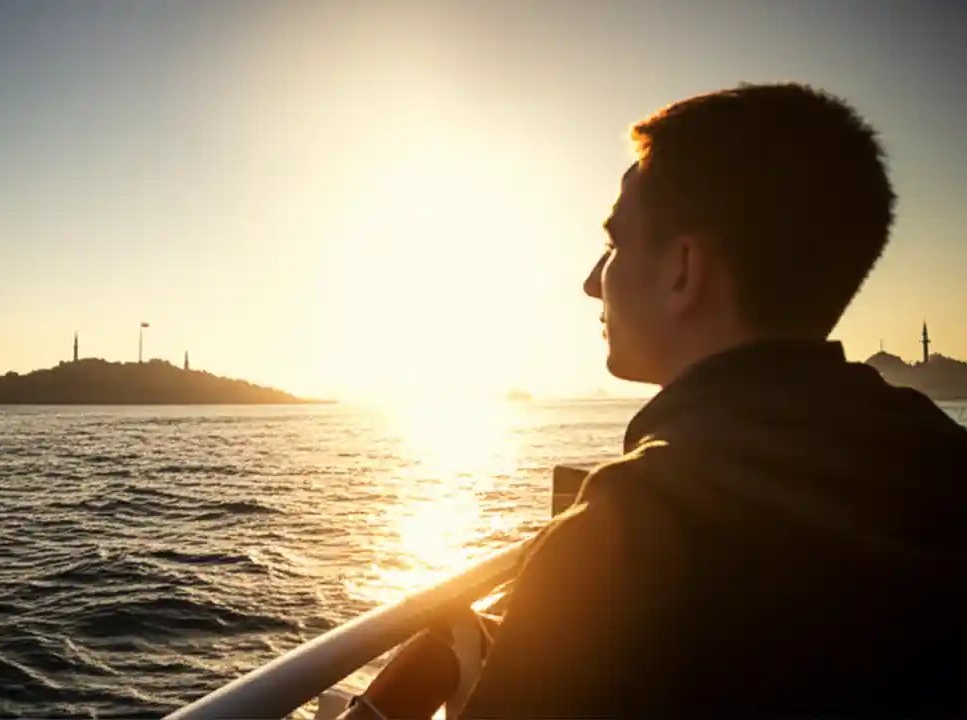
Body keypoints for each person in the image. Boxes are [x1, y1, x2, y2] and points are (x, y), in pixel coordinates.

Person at [341, 83, 967, 719]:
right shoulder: (940, 455)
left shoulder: (631, 528)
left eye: (614, 243)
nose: (592, 282)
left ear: (682, 271)